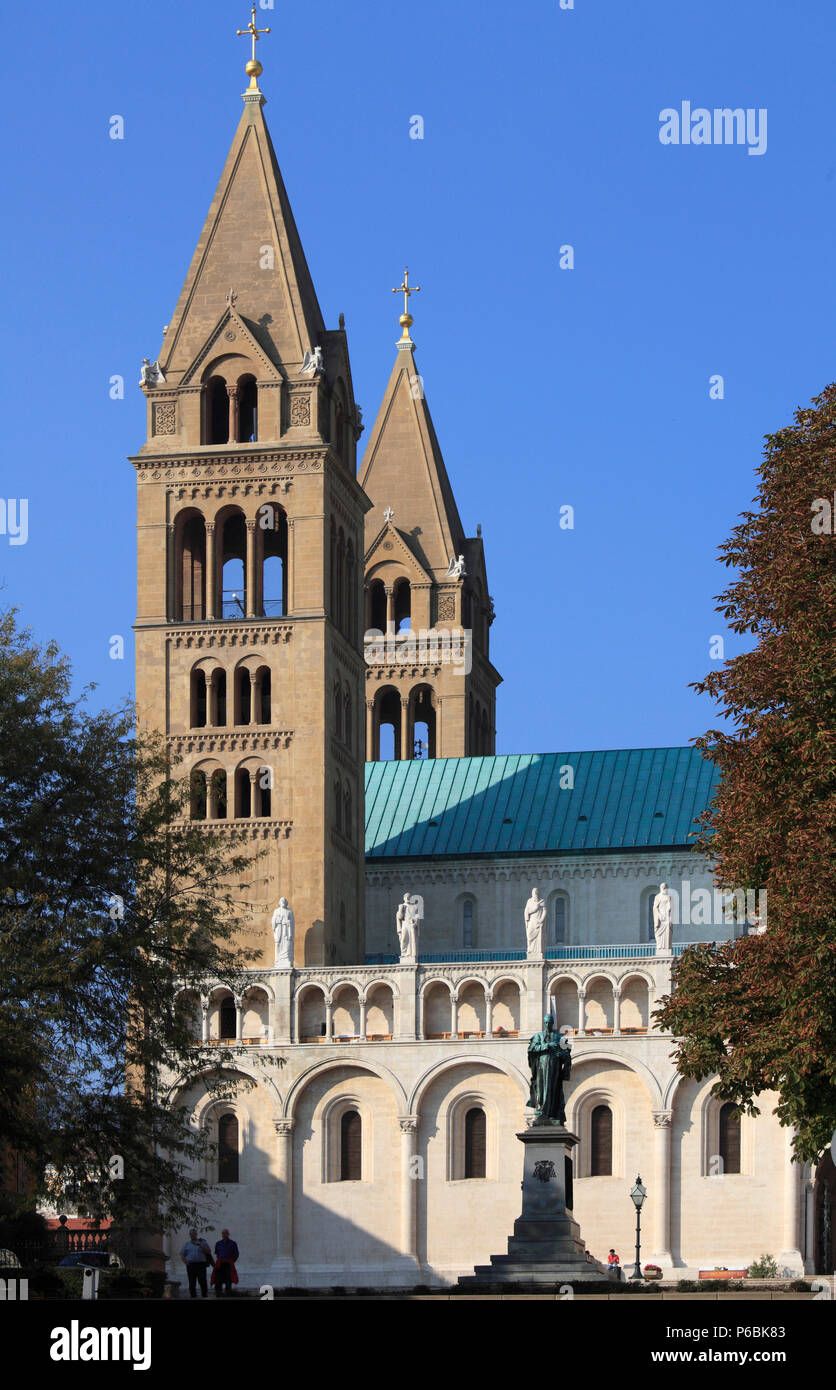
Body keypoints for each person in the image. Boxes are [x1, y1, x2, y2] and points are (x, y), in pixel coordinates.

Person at [180, 1229, 213, 1298]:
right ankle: (193, 1296)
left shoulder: (203, 1242)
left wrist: (200, 1245)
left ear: (196, 1234)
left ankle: (204, 1295)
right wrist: (186, 1262)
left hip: (201, 1265)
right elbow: (182, 1254)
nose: (193, 1235)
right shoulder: (187, 1244)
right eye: (191, 1234)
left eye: (194, 1234)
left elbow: (209, 1251)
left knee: (202, 1281)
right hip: (191, 1265)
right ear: (190, 1235)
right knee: (192, 1282)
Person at [212, 1228, 240, 1296]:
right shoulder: (218, 1243)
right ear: (222, 1235)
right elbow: (217, 1253)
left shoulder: (233, 1243)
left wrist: (232, 1261)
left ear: (228, 1234)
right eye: (223, 1233)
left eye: (226, 1233)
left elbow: (236, 1254)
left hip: (228, 1264)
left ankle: (228, 1292)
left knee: (228, 1278)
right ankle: (218, 1292)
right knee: (218, 1279)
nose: (224, 1235)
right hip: (220, 1264)